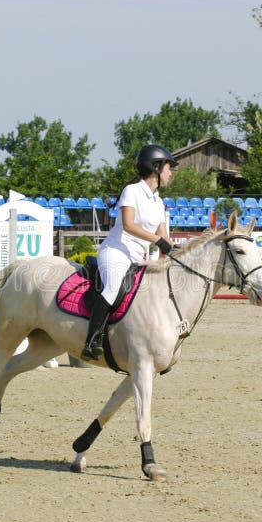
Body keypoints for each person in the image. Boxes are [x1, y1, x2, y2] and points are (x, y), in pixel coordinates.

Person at [81, 144, 176, 361]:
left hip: (137, 258)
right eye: (169, 168)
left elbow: (163, 236)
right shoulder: (132, 191)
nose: (171, 173)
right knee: (114, 286)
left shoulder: (158, 202)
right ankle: (92, 339)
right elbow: (129, 225)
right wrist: (159, 241)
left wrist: (176, 252)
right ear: (156, 167)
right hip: (116, 251)